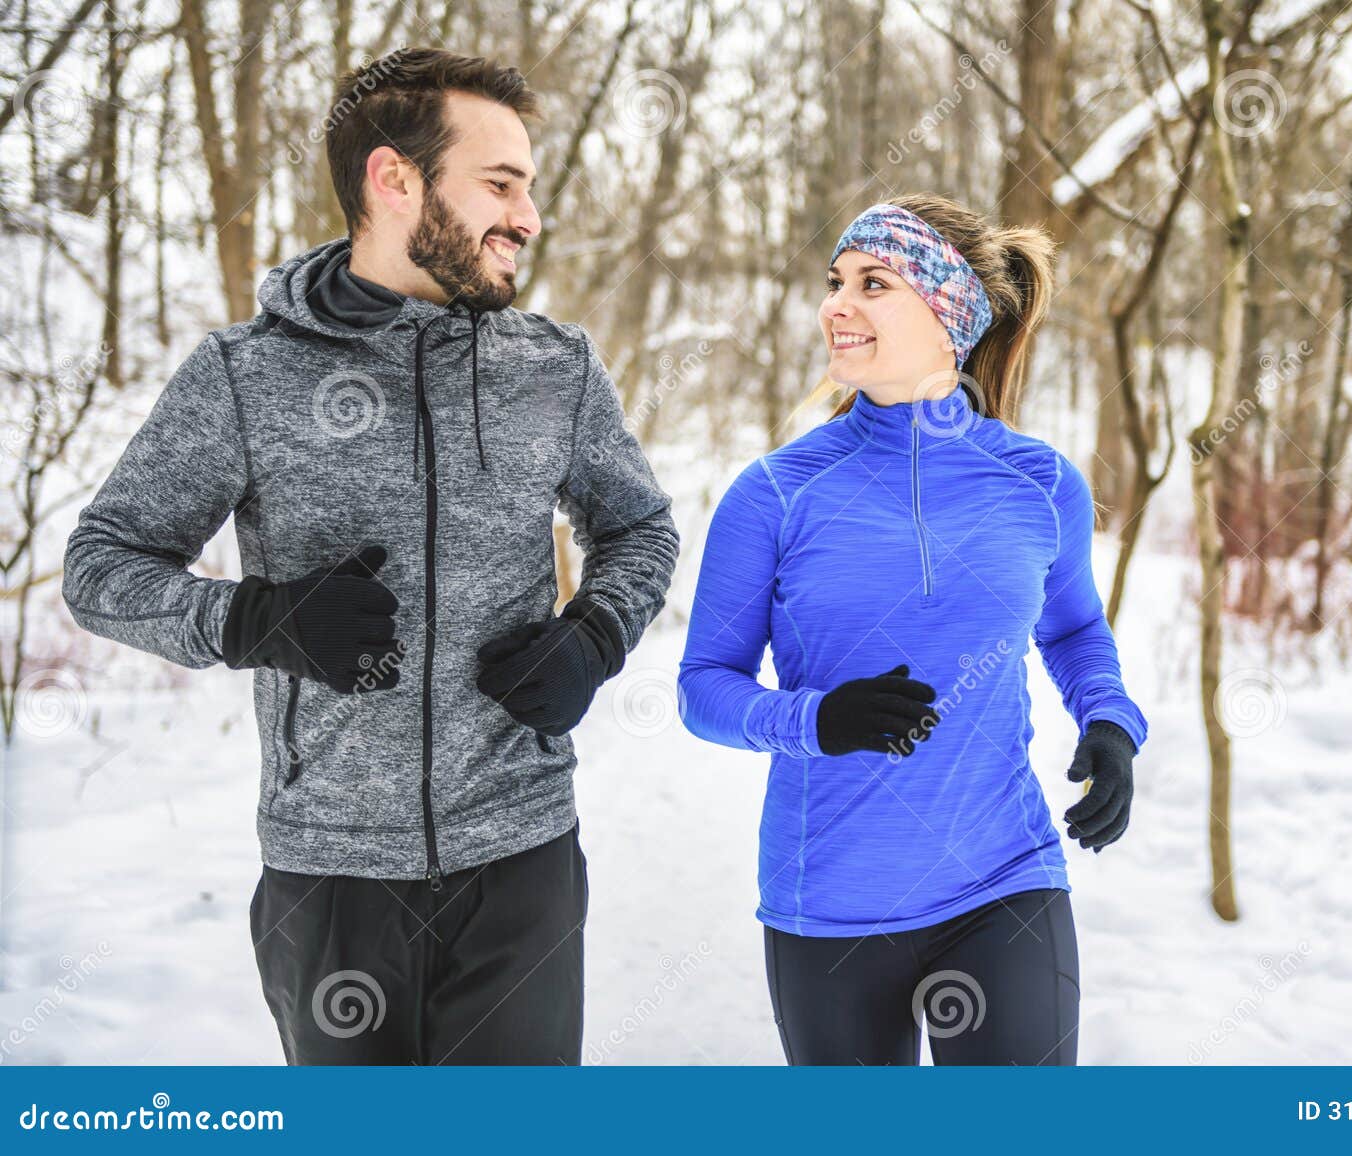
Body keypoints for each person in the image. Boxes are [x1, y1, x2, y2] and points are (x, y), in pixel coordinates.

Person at [61, 48, 680, 1065]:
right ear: (395, 180)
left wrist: (595, 636)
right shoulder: (243, 377)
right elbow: (102, 563)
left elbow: (640, 528)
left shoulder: (551, 368)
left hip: (520, 864)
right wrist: (248, 619)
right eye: (500, 185)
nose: (528, 217)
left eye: (529, 188)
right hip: (330, 879)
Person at [677, 195, 1148, 1065]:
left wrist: (1113, 724)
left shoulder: (1037, 483)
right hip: (830, 903)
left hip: (1004, 876)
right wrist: (813, 721)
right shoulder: (777, 494)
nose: (836, 305)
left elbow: (1076, 628)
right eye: (834, 282)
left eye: (873, 283)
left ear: (947, 317)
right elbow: (703, 688)